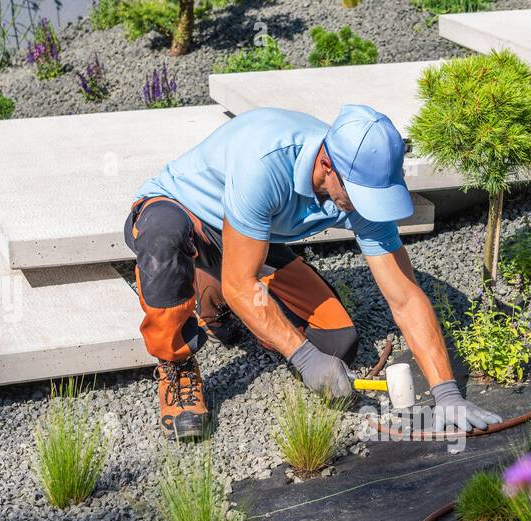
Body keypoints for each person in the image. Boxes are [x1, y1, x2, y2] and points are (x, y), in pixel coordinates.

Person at [124, 103, 502, 441]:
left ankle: (213, 285)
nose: (366, 207)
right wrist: (302, 358)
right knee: (164, 237)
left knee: (337, 345)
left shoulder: (360, 180)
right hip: (183, 215)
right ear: (326, 166)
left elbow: (404, 296)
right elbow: (242, 285)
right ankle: (176, 363)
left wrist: (446, 393)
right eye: (360, 195)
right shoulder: (265, 164)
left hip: (249, 237)